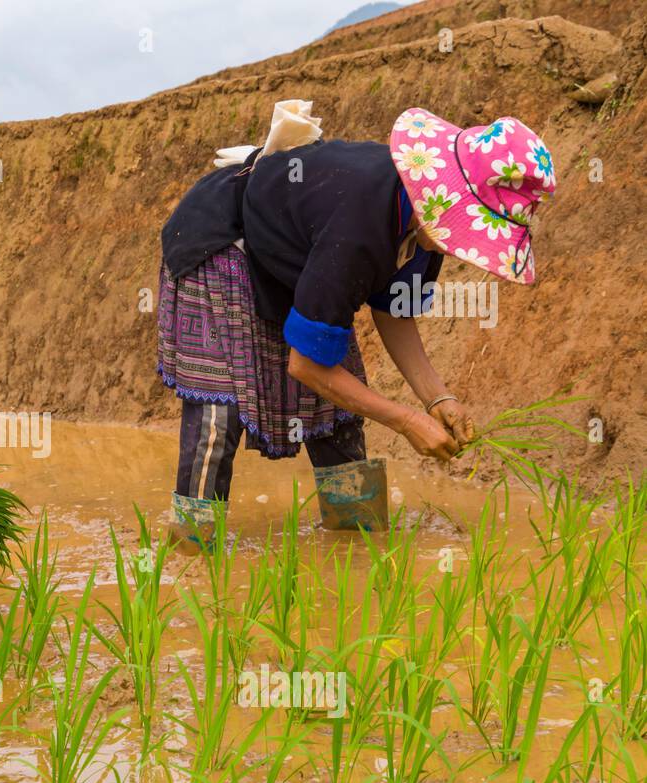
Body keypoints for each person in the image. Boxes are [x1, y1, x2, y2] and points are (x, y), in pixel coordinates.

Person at [157, 104, 556, 546]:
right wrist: (405, 421)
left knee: (340, 412)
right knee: (221, 409)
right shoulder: (360, 224)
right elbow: (306, 367)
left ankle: (357, 542)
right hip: (224, 241)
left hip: (300, 257)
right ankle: (188, 550)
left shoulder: (424, 225)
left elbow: (393, 308)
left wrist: (436, 398)